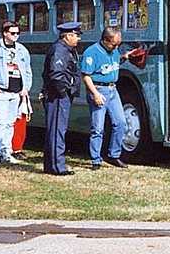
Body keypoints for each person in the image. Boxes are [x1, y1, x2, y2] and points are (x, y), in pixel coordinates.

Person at [0, 21, 32, 167]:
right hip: (0, 93)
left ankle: (6, 152)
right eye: (13, 33)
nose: (16, 36)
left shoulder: (22, 50)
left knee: (10, 124)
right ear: (5, 33)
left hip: (16, 93)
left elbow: (27, 71)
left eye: (18, 33)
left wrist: (26, 88)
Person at [81, 26, 134, 170]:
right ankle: (96, 160)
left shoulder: (113, 51)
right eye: (114, 44)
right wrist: (95, 94)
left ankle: (114, 155)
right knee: (97, 127)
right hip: (99, 89)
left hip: (112, 89)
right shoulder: (91, 52)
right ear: (104, 40)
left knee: (120, 122)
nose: (116, 47)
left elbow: (114, 63)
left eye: (118, 44)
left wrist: (124, 57)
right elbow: (86, 75)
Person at [41, 21, 82, 176]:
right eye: (76, 35)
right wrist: (63, 92)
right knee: (57, 130)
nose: (78, 39)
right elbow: (56, 74)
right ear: (67, 36)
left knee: (56, 130)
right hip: (58, 96)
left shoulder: (66, 49)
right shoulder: (60, 50)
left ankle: (51, 165)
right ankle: (57, 166)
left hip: (59, 95)